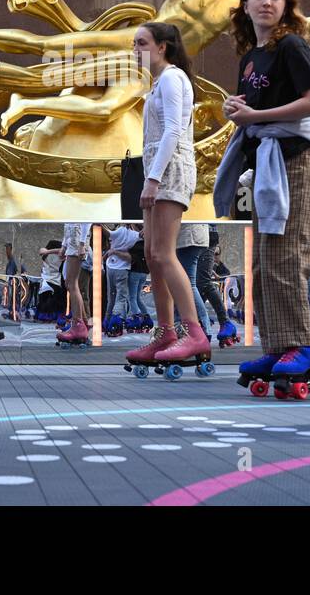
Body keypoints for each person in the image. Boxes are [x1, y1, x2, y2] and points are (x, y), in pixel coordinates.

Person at [213, 0, 310, 389]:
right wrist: (236, 109)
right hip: (266, 165)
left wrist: (256, 117)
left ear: (286, 6)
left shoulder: (291, 46)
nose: (267, 2)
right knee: (264, 262)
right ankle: (277, 347)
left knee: (289, 256)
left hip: (298, 160)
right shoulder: (250, 59)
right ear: (245, 6)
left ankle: (302, 346)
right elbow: (252, 111)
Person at [121, 22, 210, 370]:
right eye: (134, 43)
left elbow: (174, 129)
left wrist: (153, 179)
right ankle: (166, 332)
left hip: (169, 171)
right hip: (158, 169)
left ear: (162, 47)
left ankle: (194, 331)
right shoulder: (160, 82)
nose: (136, 49)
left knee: (163, 253)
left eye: (141, 43)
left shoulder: (173, 78)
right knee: (151, 254)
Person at [55, 223, 92, 344]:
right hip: (73, 236)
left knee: (72, 283)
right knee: (70, 283)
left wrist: (81, 244)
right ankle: (82, 323)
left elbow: (87, 220)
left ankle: (78, 324)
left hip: (77, 236)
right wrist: (64, 246)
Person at [102, 222, 140, 337]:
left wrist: (99, 224)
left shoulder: (119, 231)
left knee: (111, 297)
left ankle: (106, 322)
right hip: (123, 268)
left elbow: (108, 233)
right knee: (121, 297)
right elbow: (143, 235)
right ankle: (115, 323)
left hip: (111, 266)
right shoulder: (134, 235)